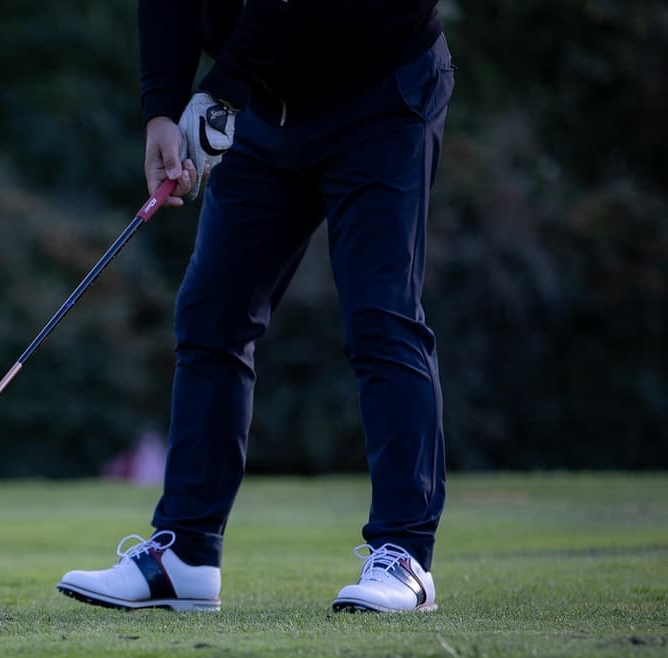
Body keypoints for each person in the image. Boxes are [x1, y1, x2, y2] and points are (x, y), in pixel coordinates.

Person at [57, 0, 454, 613]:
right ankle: (185, 555)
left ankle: (404, 555)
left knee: (382, 316)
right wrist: (162, 110)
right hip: (265, 111)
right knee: (212, 315)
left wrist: (222, 87)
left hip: (382, 91)